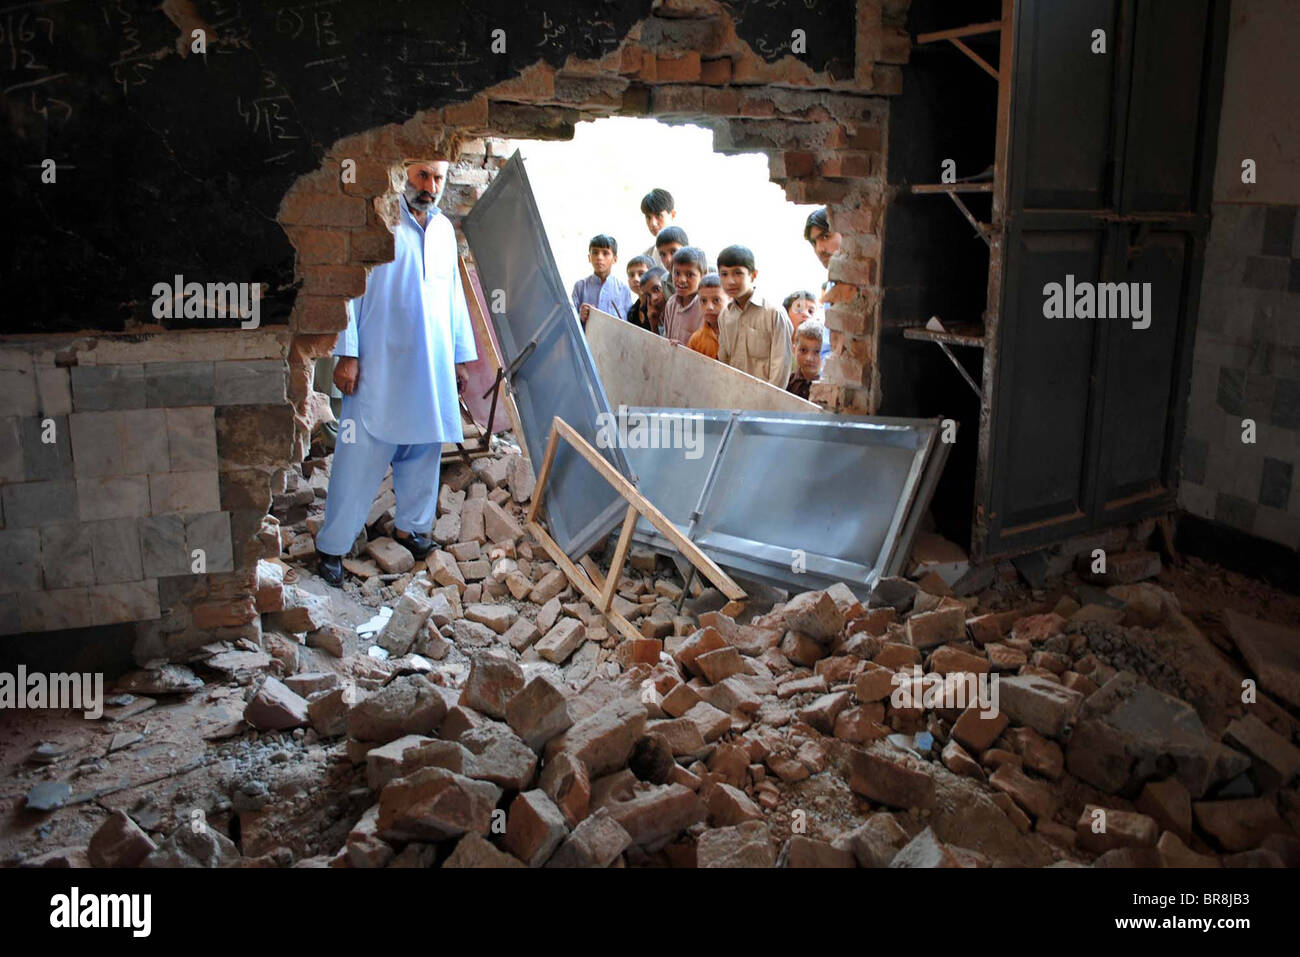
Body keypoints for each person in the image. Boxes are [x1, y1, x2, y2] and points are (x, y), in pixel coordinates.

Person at [315, 160, 476, 585]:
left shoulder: (442, 230)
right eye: (423, 176)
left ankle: (412, 529)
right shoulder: (379, 222)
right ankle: (332, 546)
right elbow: (350, 290)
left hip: (430, 362)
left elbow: (454, 295)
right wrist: (346, 354)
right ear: (405, 172)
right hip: (380, 360)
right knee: (360, 455)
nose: (430, 187)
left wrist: (459, 357)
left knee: (423, 450)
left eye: (438, 178)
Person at [716, 244, 793, 387]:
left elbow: (781, 368)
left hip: (765, 401)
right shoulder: (725, 316)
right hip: (735, 395)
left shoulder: (773, 313)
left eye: (737, 273)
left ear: (753, 275)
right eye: (724, 274)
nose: (730, 281)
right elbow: (724, 360)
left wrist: (767, 402)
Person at [571, 234, 634, 324]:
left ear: (615, 259)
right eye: (595, 253)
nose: (599, 258)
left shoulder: (623, 289)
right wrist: (580, 316)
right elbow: (569, 320)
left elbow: (629, 323)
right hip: (587, 337)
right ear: (589, 257)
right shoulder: (580, 287)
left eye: (605, 253)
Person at [661, 245, 708, 345]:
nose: (681, 280)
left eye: (689, 274)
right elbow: (666, 337)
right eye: (677, 273)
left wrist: (685, 350)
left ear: (703, 275)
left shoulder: (705, 308)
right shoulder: (671, 303)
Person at [687, 273, 727, 359]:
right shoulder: (696, 340)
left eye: (716, 300)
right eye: (703, 301)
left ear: (730, 299)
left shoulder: (739, 335)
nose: (709, 307)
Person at [787, 319, 825, 400]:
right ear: (794, 350)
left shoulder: (828, 389)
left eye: (817, 352)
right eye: (803, 350)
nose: (809, 358)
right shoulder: (787, 382)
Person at [628, 265, 668, 335]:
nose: (654, 298)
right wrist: (653, 324)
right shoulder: (659, 317)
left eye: (657, 289)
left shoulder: (679, 312)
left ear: (667, 284)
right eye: (648, 295)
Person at [640, 188, 677, 258]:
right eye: (648, 217)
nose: (653, 223)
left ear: (672, 215)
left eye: (658, 216)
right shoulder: (647, 256)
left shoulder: (690, 254)